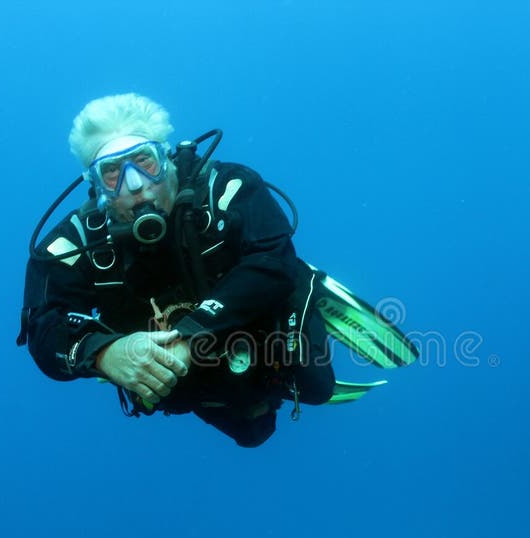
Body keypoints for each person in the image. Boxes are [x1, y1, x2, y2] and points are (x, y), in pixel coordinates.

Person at [17, 93, 338, 447]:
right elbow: (43, 328)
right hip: (180, 375)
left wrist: (189, 336)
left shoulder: (227, 189)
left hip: (258, 335)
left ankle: (309, 292)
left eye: (144, 161)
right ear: (95, 186)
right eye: (112, 172)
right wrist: (106, 354)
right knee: (251, 432)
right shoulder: (73, 243)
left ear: (167, 159)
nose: (135, 184)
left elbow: (273, 260)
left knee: (316, 387)